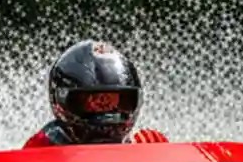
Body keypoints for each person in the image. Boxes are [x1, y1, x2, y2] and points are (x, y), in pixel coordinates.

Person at [24, 40, 168, 148]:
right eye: (96, 101)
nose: (106, 110)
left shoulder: (151, 143)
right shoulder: (40, 148)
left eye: (113, 100)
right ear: (63, 102)